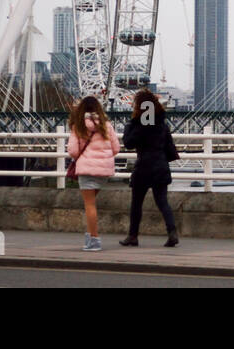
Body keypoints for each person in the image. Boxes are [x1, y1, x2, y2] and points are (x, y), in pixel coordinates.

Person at [119, 89, 179, 248]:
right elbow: (169, 146)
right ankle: (172, 231)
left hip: (144, 166)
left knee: (137, 203)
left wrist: (129, 124)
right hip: (160, 165)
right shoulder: (161, 124)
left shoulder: (140, 124)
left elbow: (129, 143)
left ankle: (133, 236)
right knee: (162, 202)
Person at [68, 95, 120, 252]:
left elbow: (73, 151)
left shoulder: (79, 126)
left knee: (90, 205)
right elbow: (116, 148)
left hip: (87, 169)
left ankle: (94, 240)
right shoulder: (107, 125)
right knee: (91, 204)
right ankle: (89, 236)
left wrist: (83, 157)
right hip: (104, 170)